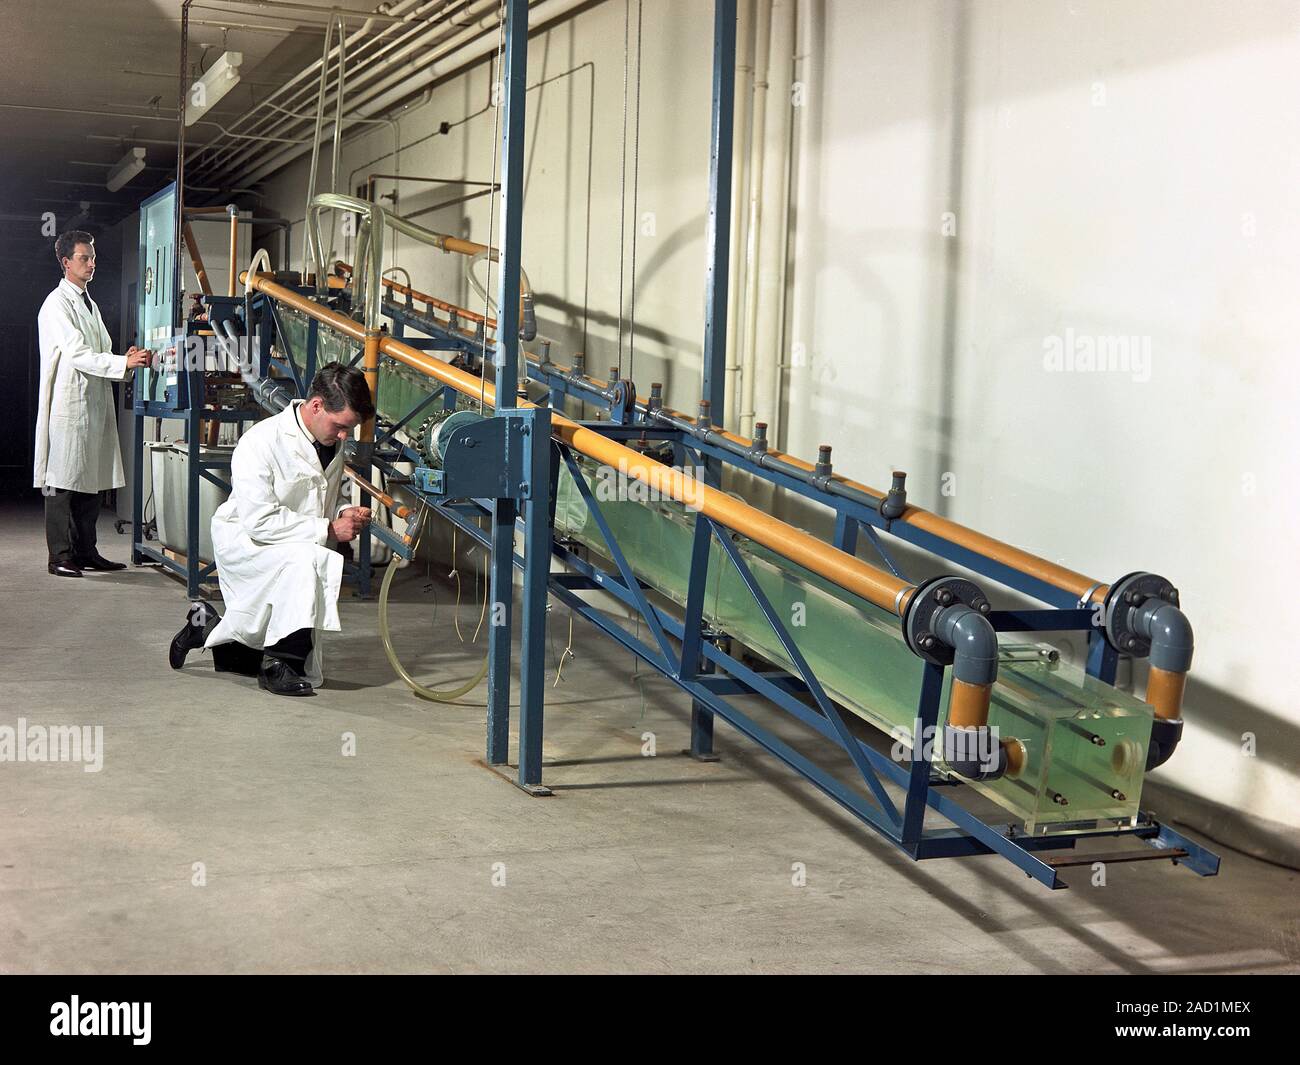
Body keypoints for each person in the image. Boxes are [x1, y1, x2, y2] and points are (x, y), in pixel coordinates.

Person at [167, 363, 375, 696]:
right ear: (317, 405)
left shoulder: (329, 442)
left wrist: (342, 511)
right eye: (340, 426)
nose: (343, 437)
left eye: (348, 429)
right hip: (249, 541)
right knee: (306, 562)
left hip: (293, 540)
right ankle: (279, 665)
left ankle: (204, 627)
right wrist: (330, 530)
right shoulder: (260, 442)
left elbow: (314, 500)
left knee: (253, 645)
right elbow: (259, 520)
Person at [35, 230, 152, 576]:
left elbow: (97, 351)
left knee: (89, 483)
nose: (91, 263)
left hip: (92, 403)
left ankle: (85, 552)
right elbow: (77, 353)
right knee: (63, 483)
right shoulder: (56, 304)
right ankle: (59, 556)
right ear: (66, 262)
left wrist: (122, 358)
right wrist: (120, 364)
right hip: (68, 407)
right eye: (84, 258)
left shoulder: (90, 303)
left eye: (93, 258)